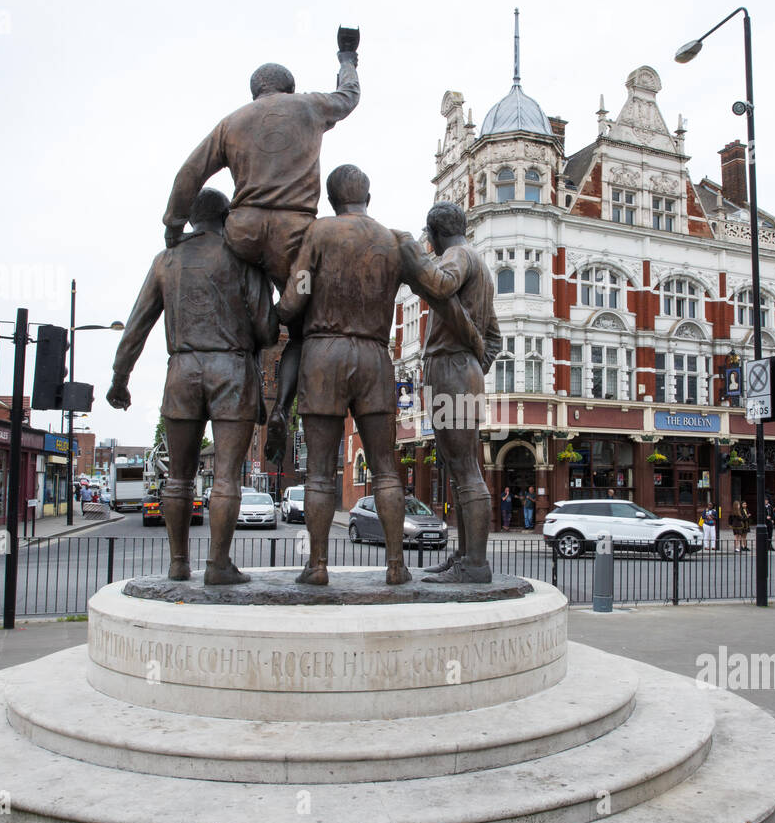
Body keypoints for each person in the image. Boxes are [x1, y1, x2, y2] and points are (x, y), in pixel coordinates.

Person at [159, 28, 361, 467]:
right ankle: (282, 406)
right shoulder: (310, 105)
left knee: (243, 316)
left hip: (243, 234)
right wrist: (348, 55)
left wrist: (173, 227)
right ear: (288, 88)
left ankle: (247, 384)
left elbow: (187, 176)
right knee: (300, 329)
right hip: (294, 236)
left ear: (255, 93)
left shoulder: (232, 122)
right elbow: (349, 96)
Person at [108, 187, 280, 584]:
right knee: (225, 477)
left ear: (191, 219)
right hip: (232, 371)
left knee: (179, 477)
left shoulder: (166, 262)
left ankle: (178, 562)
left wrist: (120, 378)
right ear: (226, 218)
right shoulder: (244, 261)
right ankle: (219, 565)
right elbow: (268, 332)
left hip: (182, 370)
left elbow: (136, 325)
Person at [276, 164, 409, 586]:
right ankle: (395, 565)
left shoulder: (318, 233)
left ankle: (316, 566)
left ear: (332, 199)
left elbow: (293, 302)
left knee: (317, 472)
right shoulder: (394, 240)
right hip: (374, 354)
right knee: (386, 470)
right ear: (366, 196)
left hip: (323, 353)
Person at [394, 200, 502, 582]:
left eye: (428, 238)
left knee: (465, 470)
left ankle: (474, 565)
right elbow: (494, 339)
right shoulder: (480, 265)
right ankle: (463, 557)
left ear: (434, 233)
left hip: (452, 369)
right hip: (460, 369)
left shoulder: (456, 255)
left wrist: (410, 253)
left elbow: (439, 285)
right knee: (459, 470)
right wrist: (475, 365)